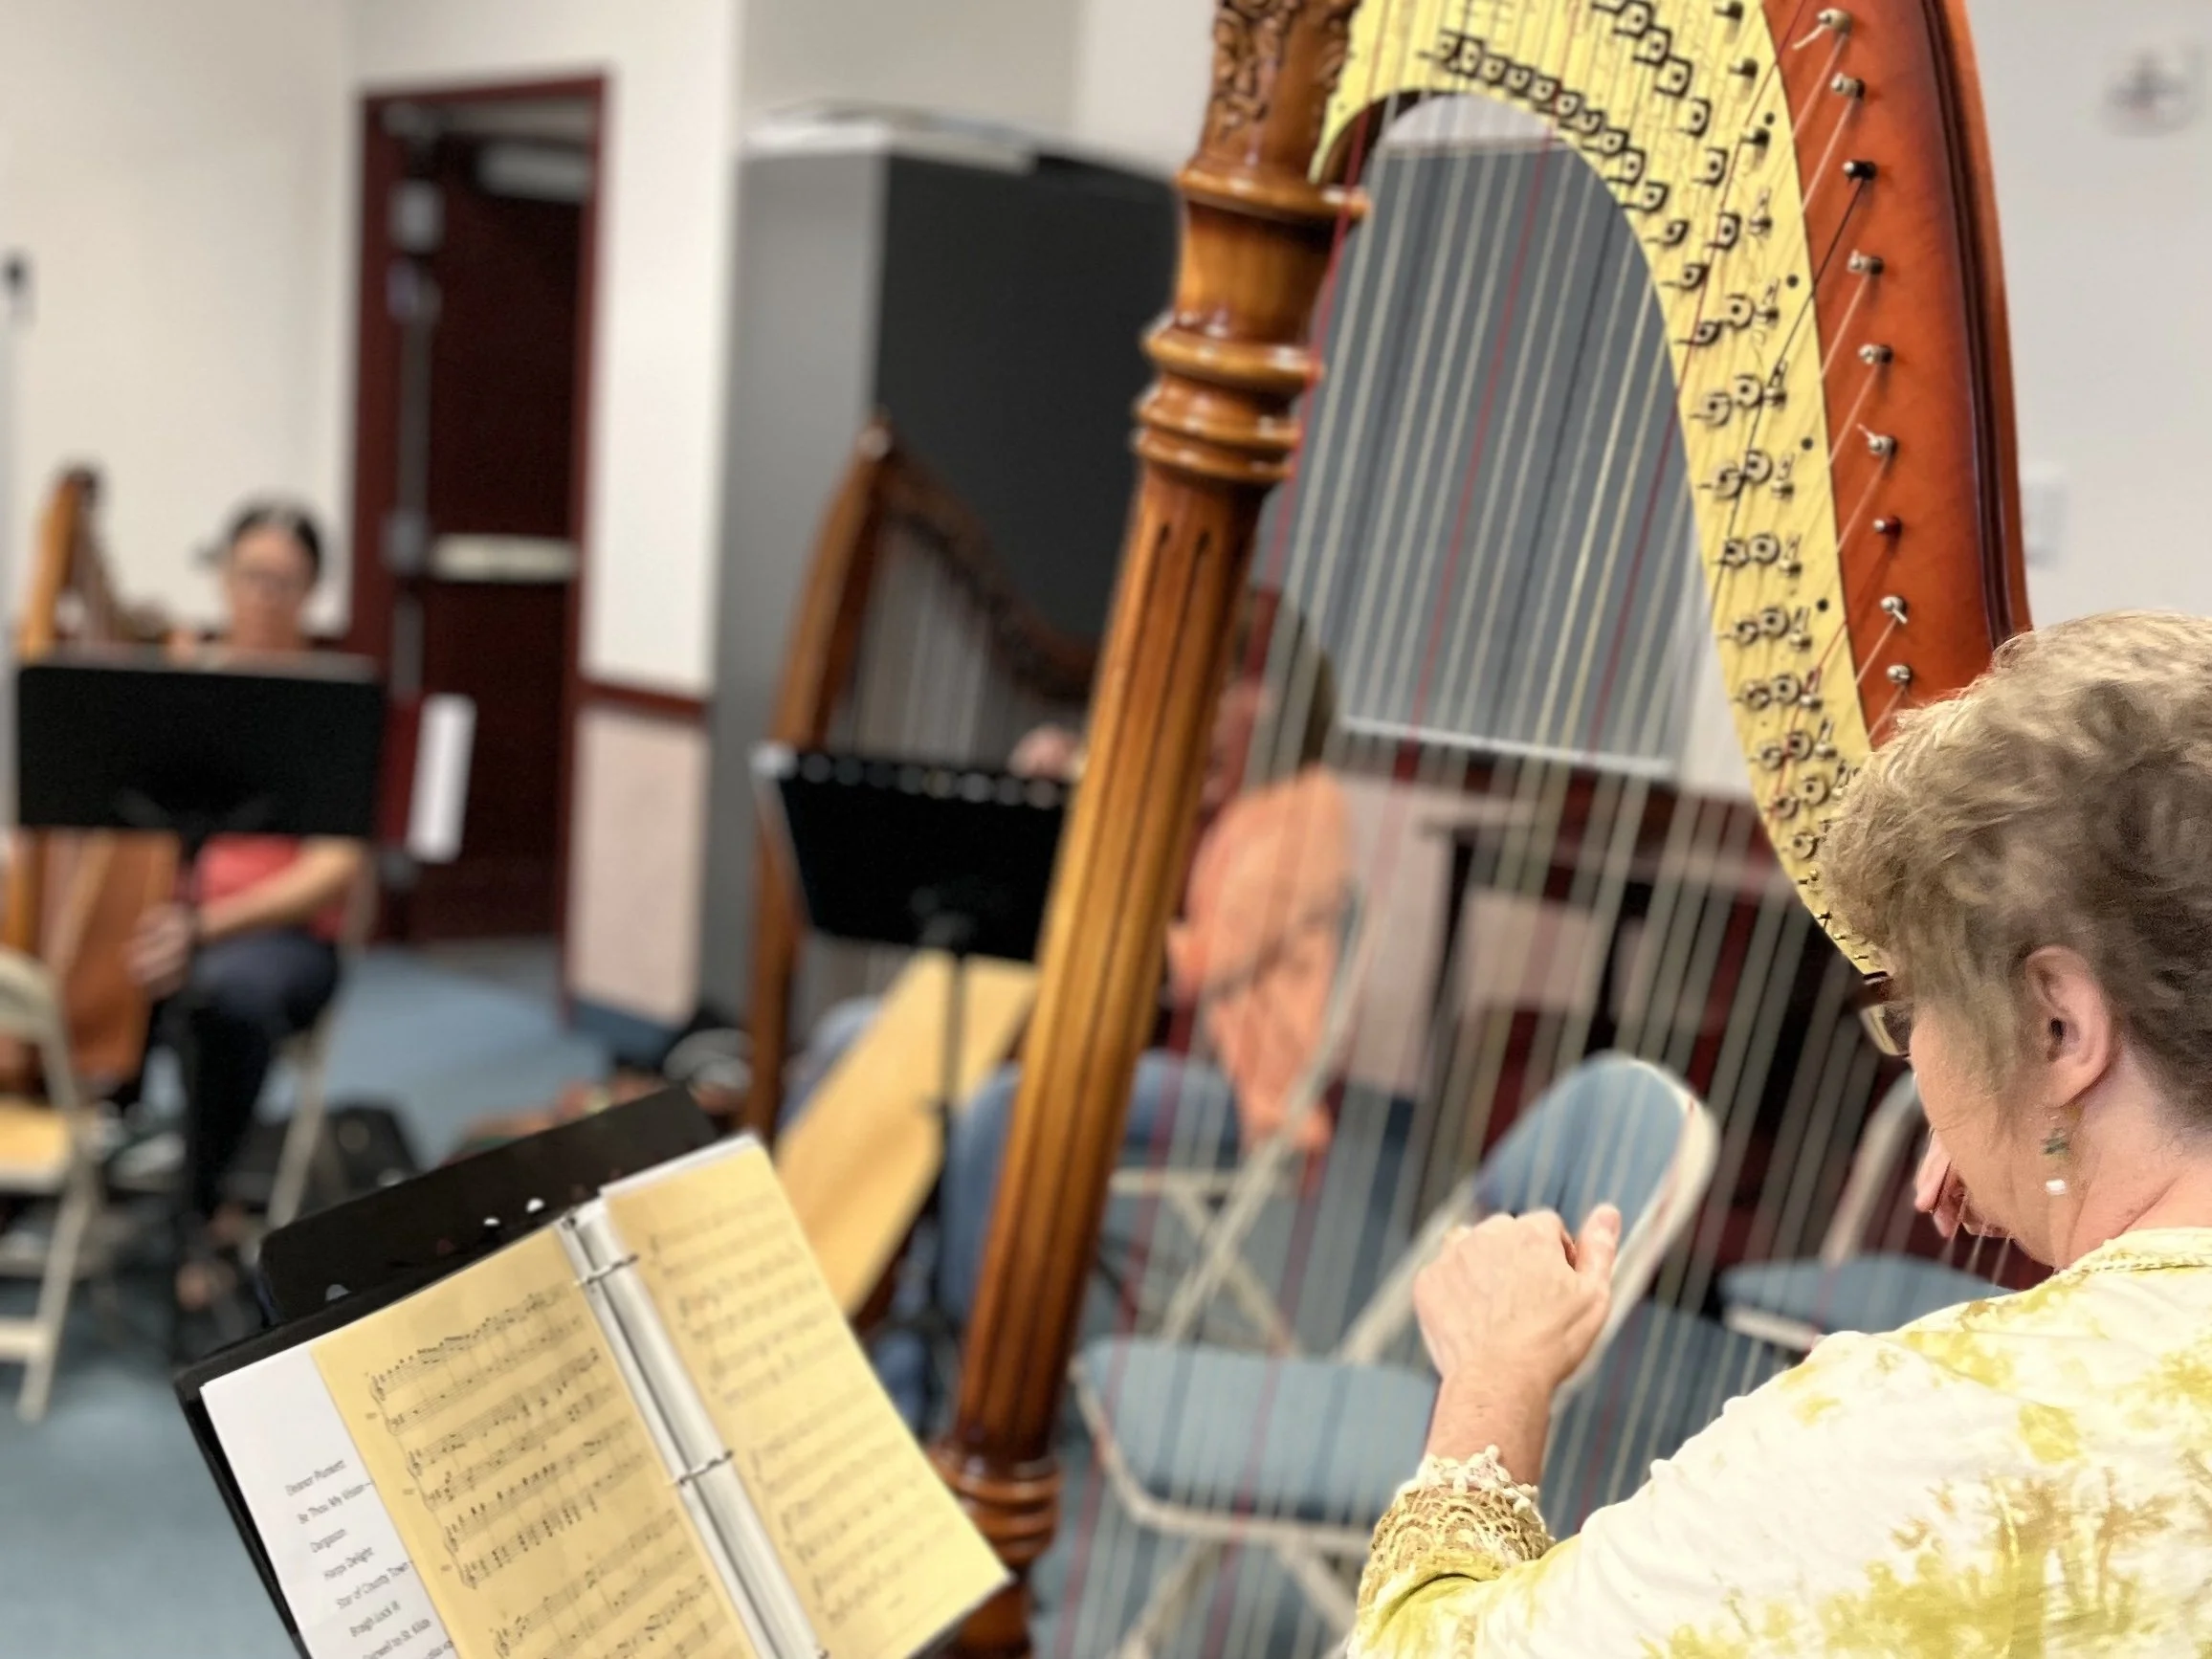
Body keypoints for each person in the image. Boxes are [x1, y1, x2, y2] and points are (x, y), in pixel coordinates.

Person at [1350, 610, 2212, 1654]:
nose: (1918, 1057)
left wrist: (1494, 1377)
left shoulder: (1918, 1443)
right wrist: (2037, 1126)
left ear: (2055, 1023)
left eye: (1915, 1008)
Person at [785, 588, 1351, 1420]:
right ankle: (832, 1331)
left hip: (1227, 1092)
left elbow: (1180, 968)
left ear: (1281, 703)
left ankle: (977, 1387)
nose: (1208, 713)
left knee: (998, 1109)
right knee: (851, 1036)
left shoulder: (1305, 815)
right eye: (1200, 689)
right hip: (1097, 1046)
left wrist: (1090, 837)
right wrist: (1045, 808)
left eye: (1232, 688)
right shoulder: (1171, 789)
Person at [127, 503, 365, 1316]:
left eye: (283, 581)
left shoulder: (330, 704)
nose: (261, 596)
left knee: (226, 997)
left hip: (280, 938)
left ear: (310, 592)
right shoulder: (178, 680)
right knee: (79, 975)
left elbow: (335, 868)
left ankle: (197, 1210)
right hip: (169, 922)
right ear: (221, 576)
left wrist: (203, 928)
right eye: (247, 575)